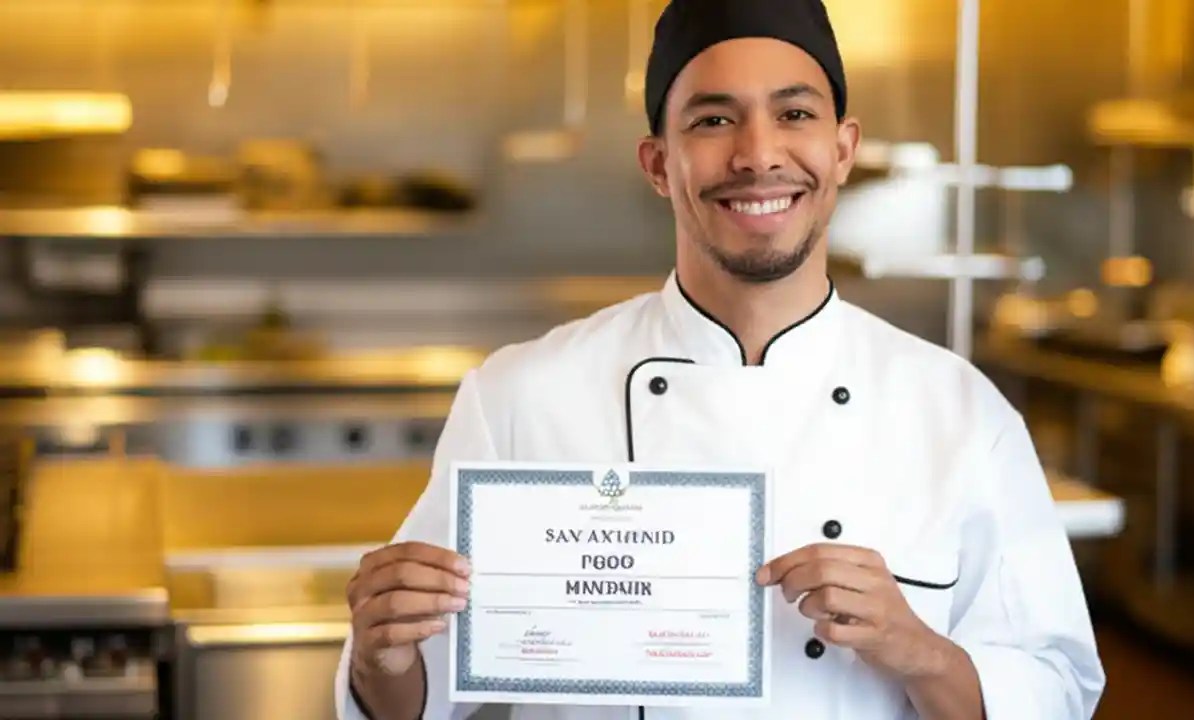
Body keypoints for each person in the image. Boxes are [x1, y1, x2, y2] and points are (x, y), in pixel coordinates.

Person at [335, 0, 1106, 717]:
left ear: (842, 151)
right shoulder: (520, 396)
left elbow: (1060, 688)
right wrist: (381, 655)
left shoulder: (960, 412)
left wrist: (917, 650)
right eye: (713, 120)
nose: (758, 154)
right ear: (658, 164)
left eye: (794, 113)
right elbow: (419, 695)